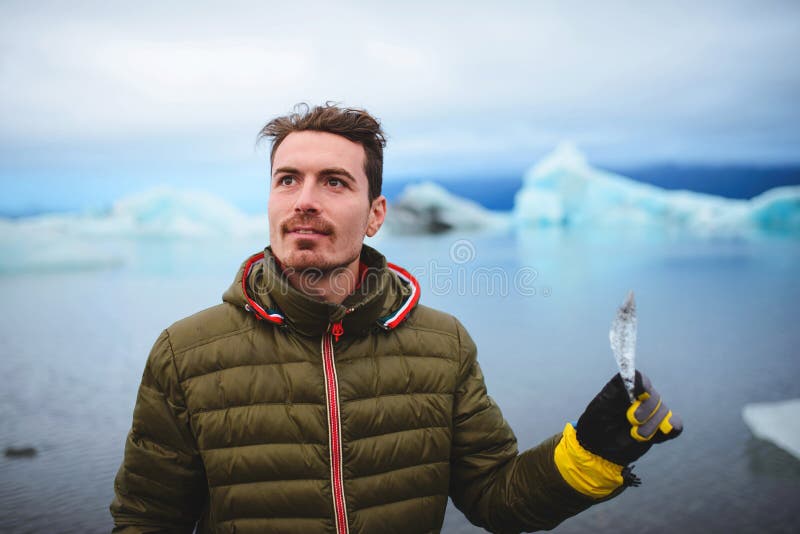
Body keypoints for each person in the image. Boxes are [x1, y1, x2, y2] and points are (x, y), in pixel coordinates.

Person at [110, 103, 682, 533]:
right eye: (288, 179)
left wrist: (592, 452)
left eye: (334, 181)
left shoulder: (441, 345)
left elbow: (495, 497)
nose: (304, 199)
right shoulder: (186, 354)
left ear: (376, 213)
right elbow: (146, 520)